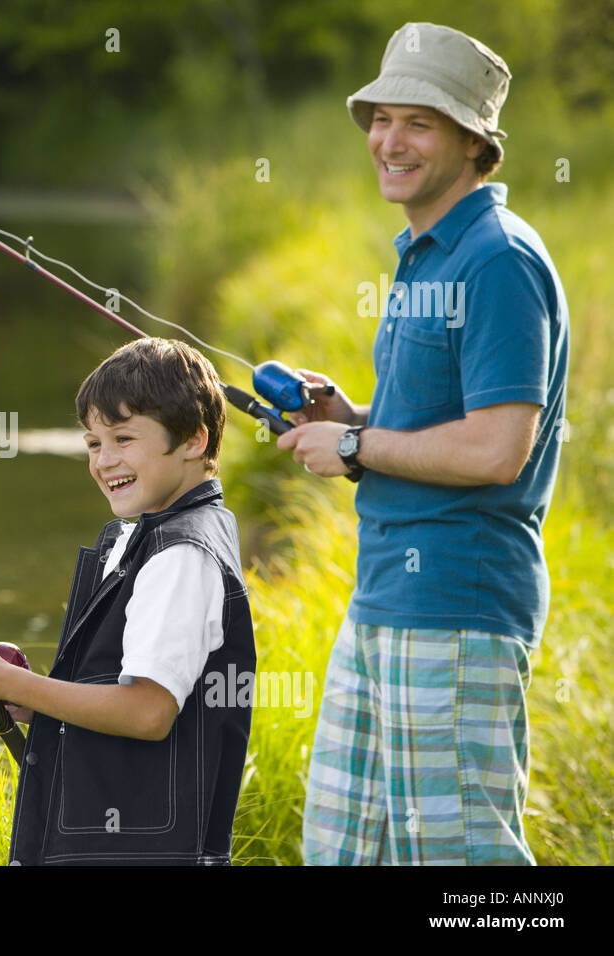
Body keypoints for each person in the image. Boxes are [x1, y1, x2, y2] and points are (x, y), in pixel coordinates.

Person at [278, 23, 569, 865]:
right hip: (383, 604)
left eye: (419, 123)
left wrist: (358, 450)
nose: (388, 141)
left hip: (457, 608)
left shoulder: (498, 262)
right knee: (341, 850)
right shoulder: (426, 254)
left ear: (476, 144)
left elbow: (495, 450)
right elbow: (445, 423)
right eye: (380, 118)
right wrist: (352, 417)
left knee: (464, 866)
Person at [0, 337, 255, 865]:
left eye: (124, 438)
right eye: (92, 442)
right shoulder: (158, 532)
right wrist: (32, 698)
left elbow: (147, 711)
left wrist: (14, 682)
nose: (105, 460)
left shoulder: (179, 556)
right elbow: (122, 685)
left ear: (195, 440)